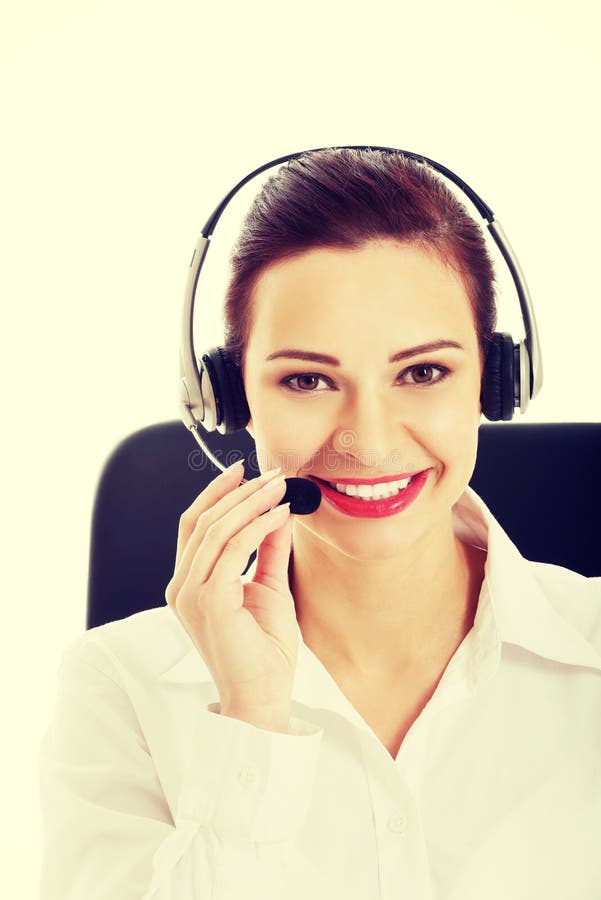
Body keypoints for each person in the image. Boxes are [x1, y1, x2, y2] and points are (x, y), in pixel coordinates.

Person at [38, 148, 601, 899]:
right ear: (227, 399)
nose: (367, 440)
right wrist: (250, 719)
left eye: (422, 372)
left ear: (495, 382)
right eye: (306, 380)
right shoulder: (120, 686)